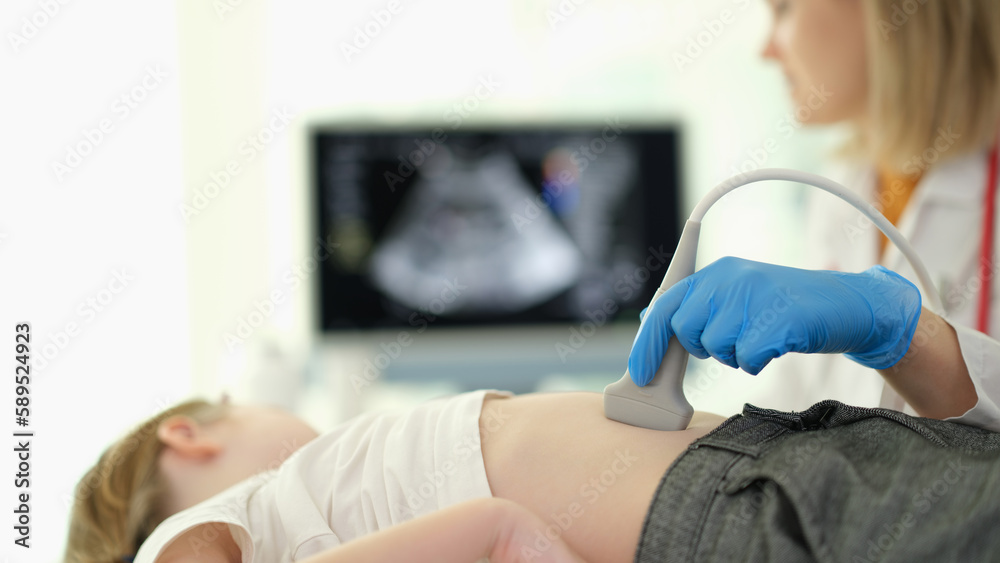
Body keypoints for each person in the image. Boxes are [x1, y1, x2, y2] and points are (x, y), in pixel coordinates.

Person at [64, 387, 1000, 563]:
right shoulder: (192, 537)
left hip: (774, 475)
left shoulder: (321, 498)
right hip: (756, 512)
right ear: (185, 436)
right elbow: (503, 529)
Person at [630, 0, 1000, 430]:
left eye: (784, 9)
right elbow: (793, 408)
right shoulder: (842, 188)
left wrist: (902, 332)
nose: (766, 50)